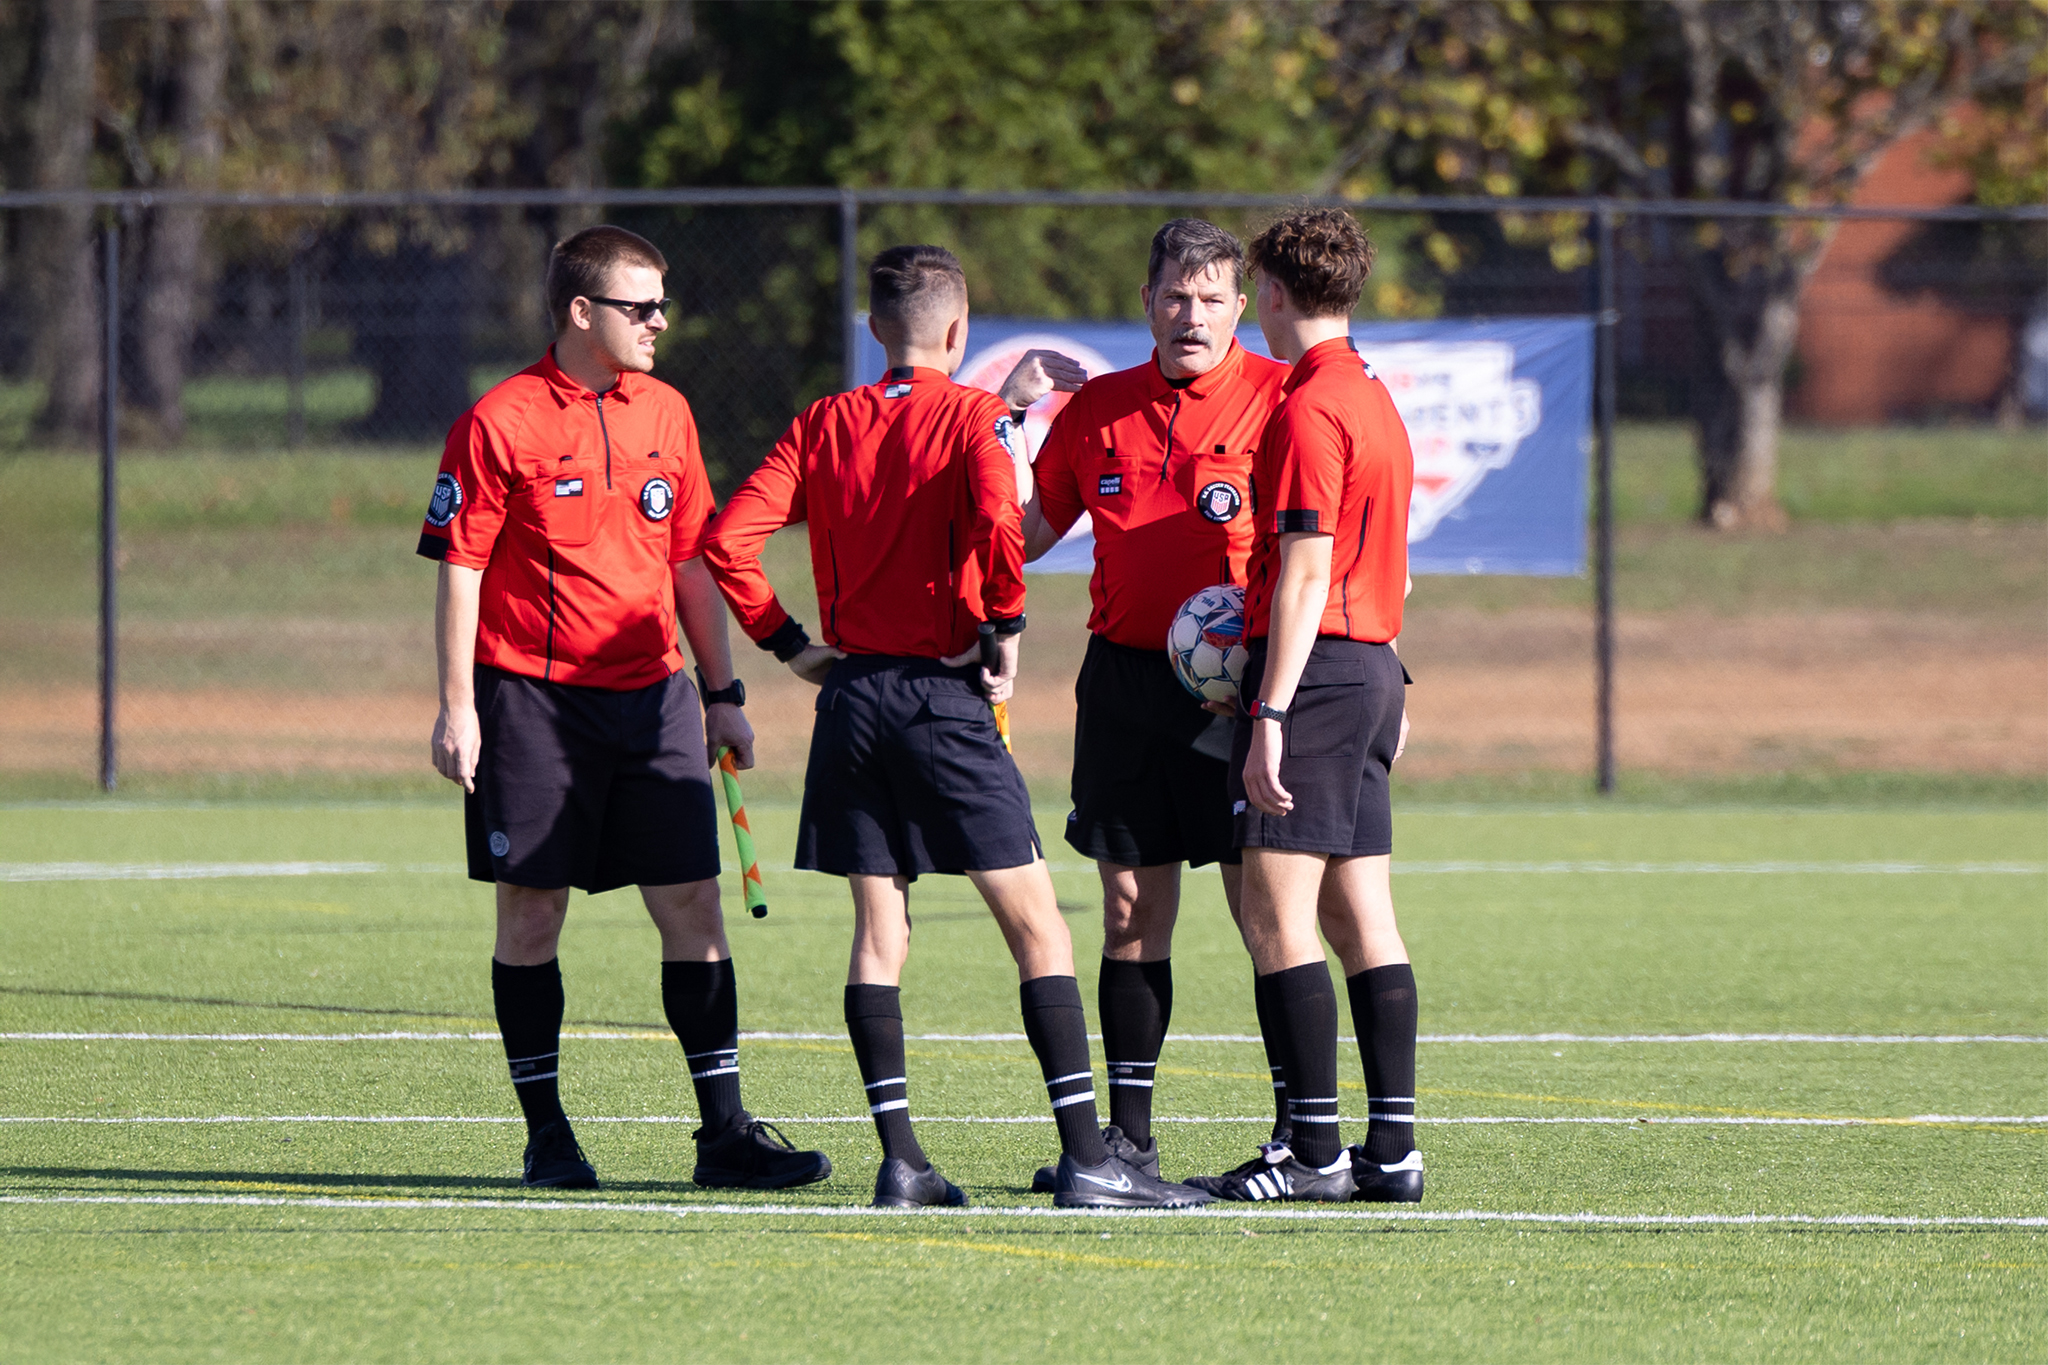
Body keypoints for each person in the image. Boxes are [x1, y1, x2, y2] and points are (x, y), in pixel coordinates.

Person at [703, 244, 1208, 1212]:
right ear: (958, 330)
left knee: (878, 931)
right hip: (940, 698)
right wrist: (1002, 630)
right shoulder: (973, 418)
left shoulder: (823, 420)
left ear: (872, 330)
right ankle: (1090, 1163)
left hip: (849, 701)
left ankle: (901, 1164)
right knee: (1039, 931)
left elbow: (728, 542)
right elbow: (997, 526)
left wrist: (790, 646)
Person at [420, 224, 829, 1193]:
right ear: (579, 312)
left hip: (656, 705)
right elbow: (462, 569)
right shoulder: (500, 420)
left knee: (693, 906)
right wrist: (456, 707)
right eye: (639, 307)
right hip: (529, 703)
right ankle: (548, 1137)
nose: (659, 322)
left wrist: (722, 694)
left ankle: (723, 1135)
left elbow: (688, 562)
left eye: (662, 305)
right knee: (532, 918)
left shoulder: (669, 414)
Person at [998, 219, 1291, 1192]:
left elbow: (1326, 540)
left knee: (1265, 909)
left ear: (1239, 309)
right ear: (1145, 302)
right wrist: (997, 439)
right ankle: (1127, 1140)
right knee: (1129, 909)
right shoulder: (1098, 411)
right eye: (1175, 296)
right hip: (1123, 685)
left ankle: (1298, 1131)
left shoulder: (1279, 401)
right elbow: (1029, 532)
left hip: (1238, 690)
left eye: (1211, 298)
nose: (1191, 315)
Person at [1188, 207, 1425, 1204]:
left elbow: (1302, 566)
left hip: (1318, 675)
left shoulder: (1304, 406)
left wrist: (1270, 714)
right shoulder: (1374, 394)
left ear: (1270, 295)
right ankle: (1392, 1152)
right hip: (1368, 665)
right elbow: (1389, 569)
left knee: (1271, 911)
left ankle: (1314, 1154)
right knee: (1358, 911)